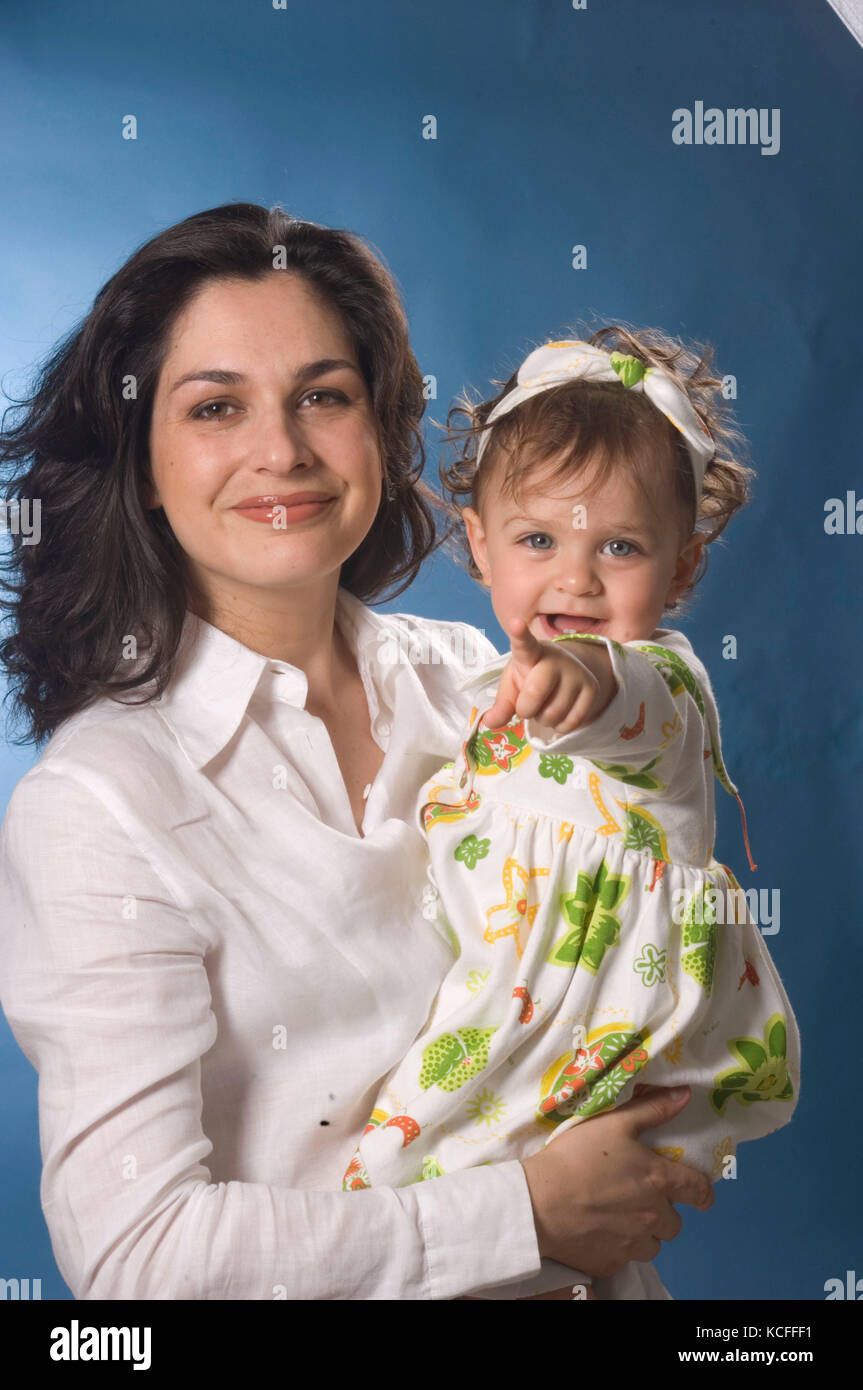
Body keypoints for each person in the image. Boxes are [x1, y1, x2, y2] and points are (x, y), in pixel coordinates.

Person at [0, 203, 714, 1301]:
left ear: (380, 428)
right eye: (216, 406)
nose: (279, 450)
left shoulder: (475, 681)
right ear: (141, 464)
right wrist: (524, 1212)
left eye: (321, 397)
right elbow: (136, 1259)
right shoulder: (99, 804)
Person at [344, 333, 801, 1300]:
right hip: (510, 1004)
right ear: (478, 542)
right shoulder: (472, 693)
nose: (576, 579)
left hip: (594, 1008)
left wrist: (580, 676)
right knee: (442, 1210)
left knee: (390, 1187)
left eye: (620, 547)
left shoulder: (663, 688)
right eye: (539, 540)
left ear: (680, 570)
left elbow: (617, 699)